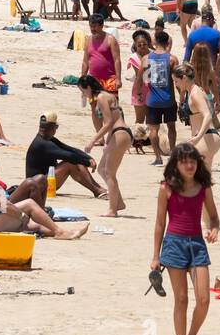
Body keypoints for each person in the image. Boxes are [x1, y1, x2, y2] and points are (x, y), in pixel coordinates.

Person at [150, 143, 219, 335]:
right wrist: (155, 256)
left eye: (192, 161)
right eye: (184, 161)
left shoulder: (203, 186)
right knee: (181, 299)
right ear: (176, 164)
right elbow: (160, 223)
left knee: (204, 299)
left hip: (197, 244)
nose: (189, 165)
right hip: (174, 245)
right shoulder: (166, 188)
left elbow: (215, 217)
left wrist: (215, 229)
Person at [0, 154, 87, 239]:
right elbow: (4, 205)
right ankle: (60, 232)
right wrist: (21, 215)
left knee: (35, 225)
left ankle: (68, 232)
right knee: (29, 204)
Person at [80, 76, 133, 216]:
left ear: (89, 88)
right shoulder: (108, 95)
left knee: (109, 173)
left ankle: (112, 210)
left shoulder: (102, 97)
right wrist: (108, 141)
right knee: (102, 169)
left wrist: (93, 140)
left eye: (83, 91)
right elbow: (115, 119)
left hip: (120, 133)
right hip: (118, 134)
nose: (84, 94)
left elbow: (108, 122)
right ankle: (119, 203)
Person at [27, 111, 104, 198]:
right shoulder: (42, 144)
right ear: (52, 128)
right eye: (56, 127)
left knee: (76, 160)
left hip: (44, 183)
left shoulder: (48, 140)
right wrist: (87, 163)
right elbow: (68, 156)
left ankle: (98, 189)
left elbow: (69, 148)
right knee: (70, 163)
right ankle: (97, 190)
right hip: (38, 188)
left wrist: (88, 158)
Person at [174, 63, 220, 169]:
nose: (175, 84)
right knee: (203, 178)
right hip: (206, 137)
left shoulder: (195, 93)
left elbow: (208, 115)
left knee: (193, 175)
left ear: (184, 78)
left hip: (205, 137)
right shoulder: (192, 91)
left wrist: (198, 137)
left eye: (176, 81)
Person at [144, 31, 179, 165]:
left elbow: (142, 78)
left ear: (155, 42)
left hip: (152, 100)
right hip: (168, 99)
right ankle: (172, 156)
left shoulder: (147, 58)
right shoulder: (172, 59)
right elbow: (177, 80)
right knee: (171, 127)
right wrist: (182, 96)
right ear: (167, 43)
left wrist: (141, 94)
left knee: (153, 130)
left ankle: (158, 157)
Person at [81, 12, 121, 94]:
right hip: (93, 79)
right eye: (91, 26)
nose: (92, 29)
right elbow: (85, 62)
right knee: (94, 105)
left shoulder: (110, 39)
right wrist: (83, 78)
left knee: (111, 105)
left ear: (102, 26)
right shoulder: (88, 40)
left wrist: (118, 79)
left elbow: (117, 60)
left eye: (95, 26)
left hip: (110, 79)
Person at [128, 28, 152, 149]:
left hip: (152, 88)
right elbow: (139, 76)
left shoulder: (153, 54)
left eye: (144, 44)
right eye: (139, 45)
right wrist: (138, 93)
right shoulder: (134, 57)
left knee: (150, 116)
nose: (142, 47)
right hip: (140, 88)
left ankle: (148, 139)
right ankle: (137, 140)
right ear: (135, 45)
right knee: (140, 117)